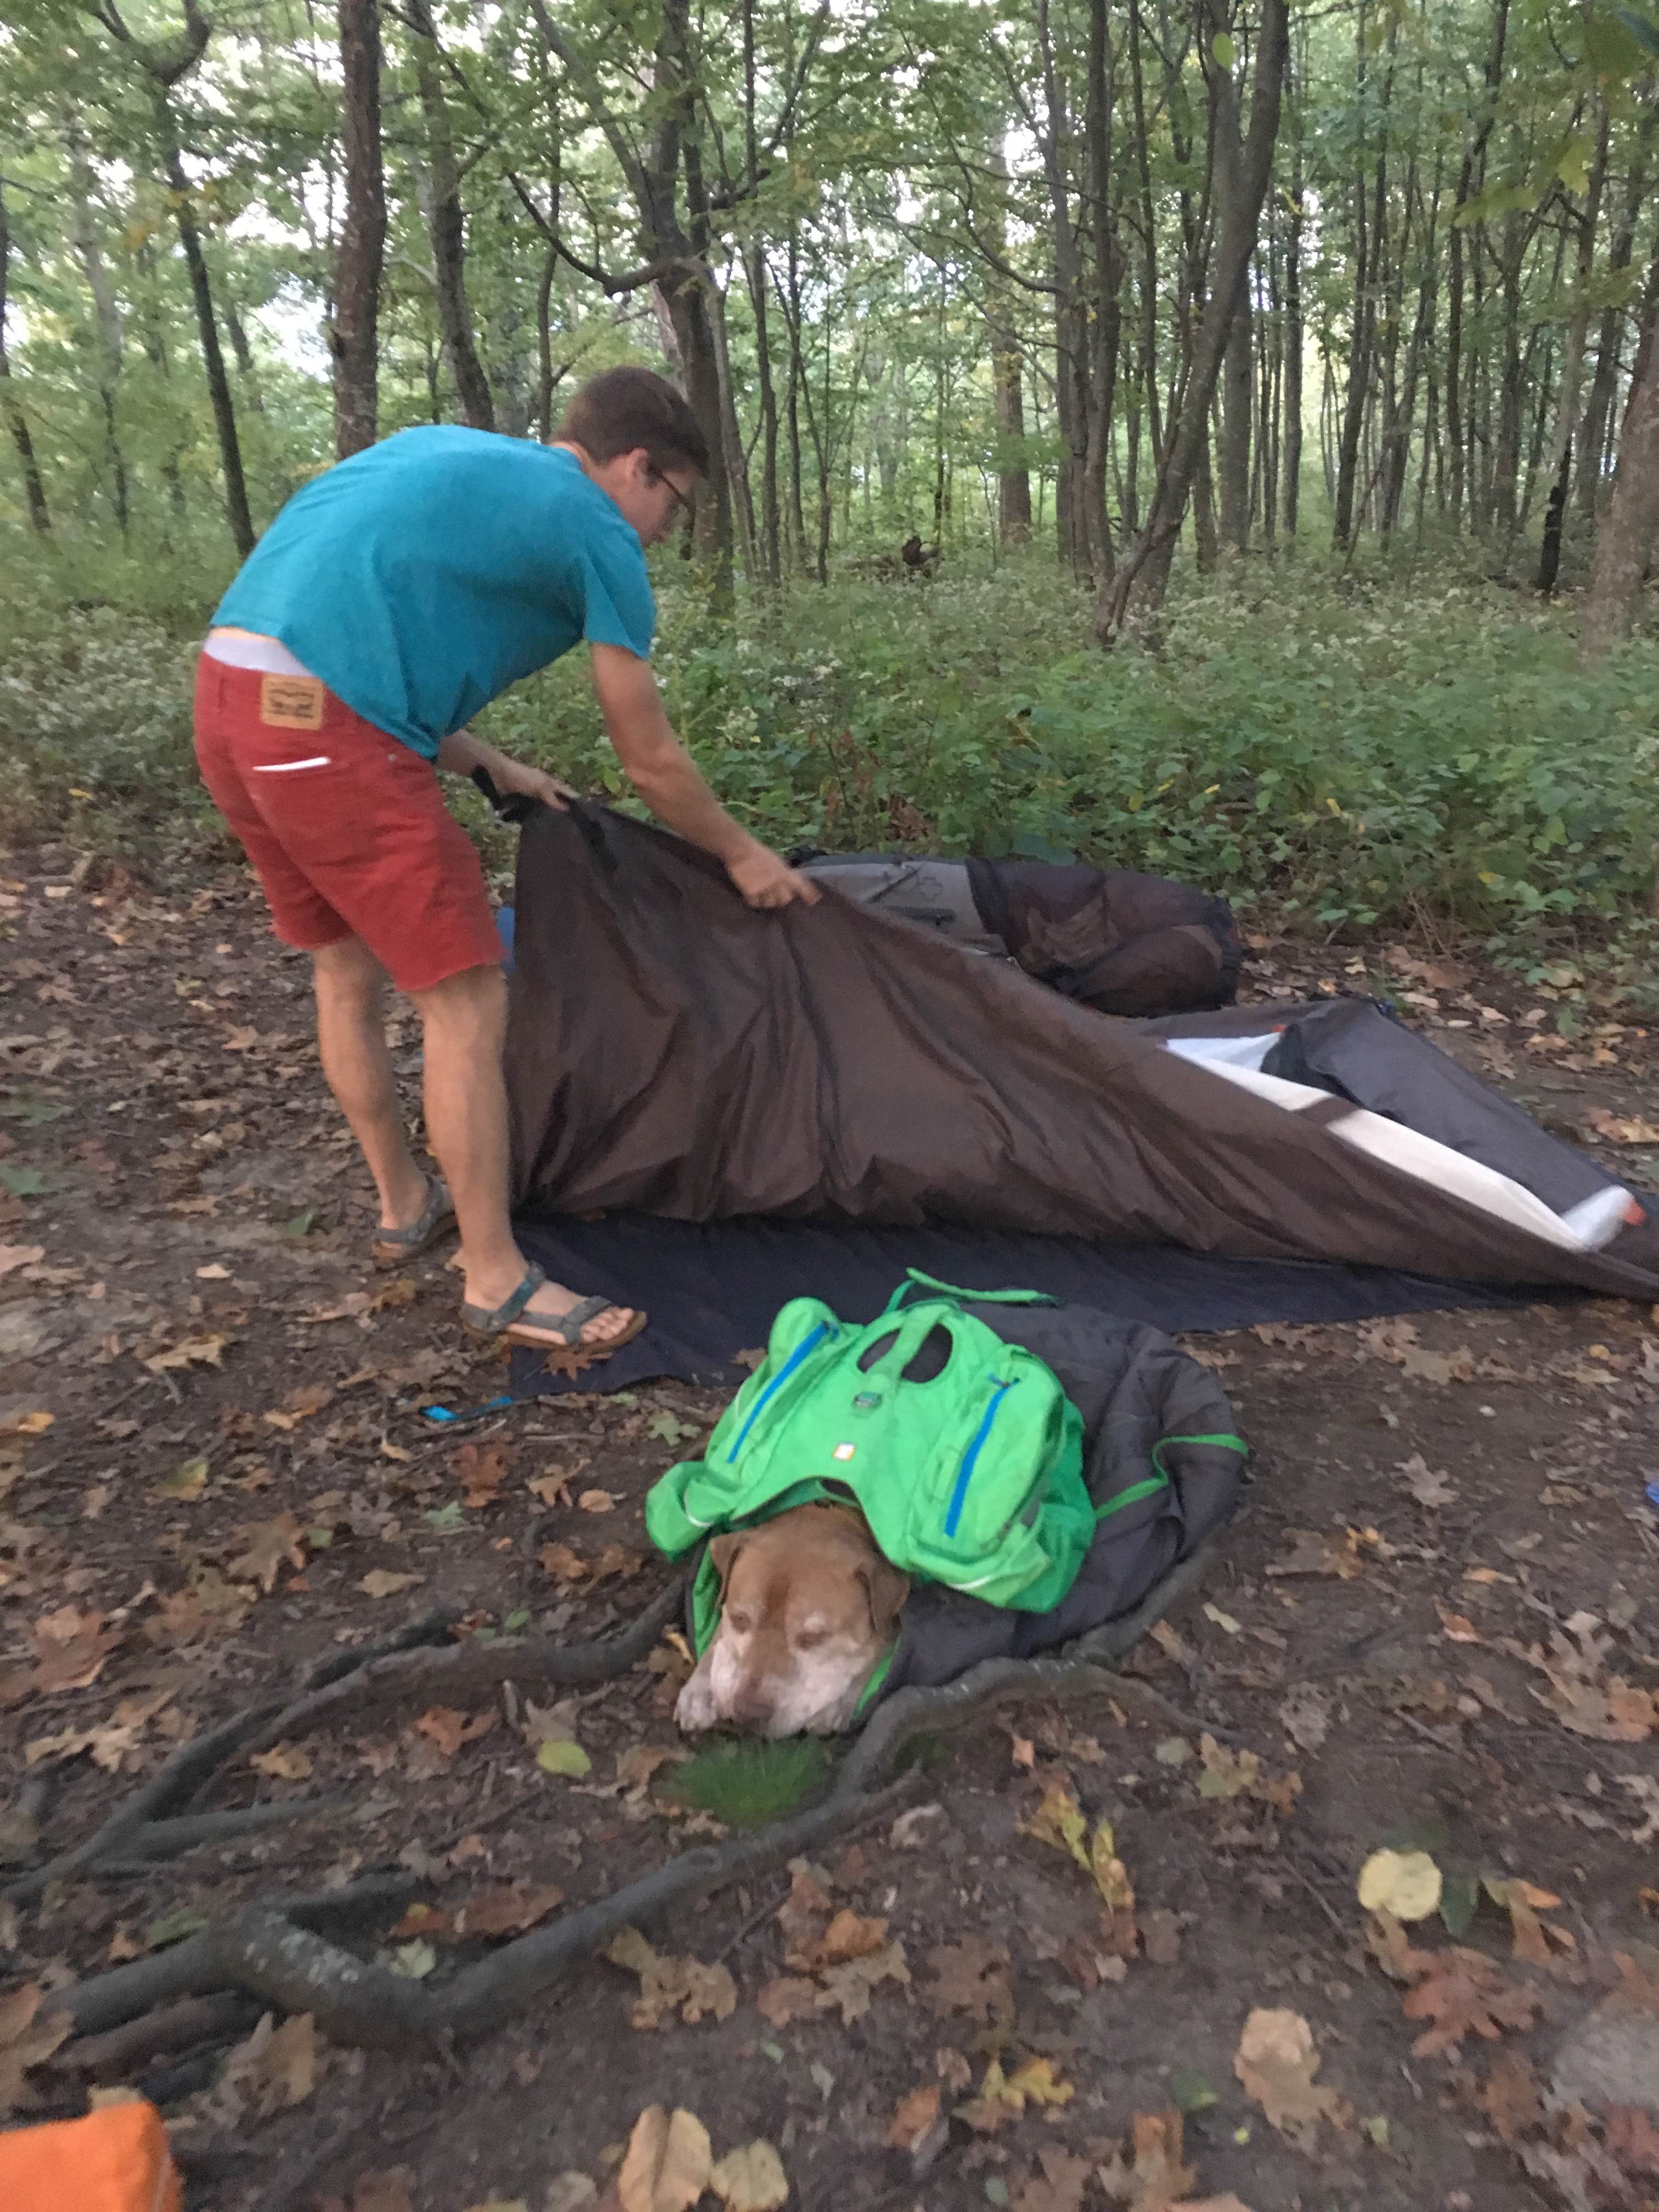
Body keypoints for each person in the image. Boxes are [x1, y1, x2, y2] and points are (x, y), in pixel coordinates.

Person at [193, 366, 817, 1357]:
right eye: (673, 504)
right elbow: (649, 758)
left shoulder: (445, 451)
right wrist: (744, 857)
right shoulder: (598, 528)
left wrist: (490, 761)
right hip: (329, 741)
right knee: (468, 999)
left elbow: (341, 625)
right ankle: (496, 1280)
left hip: (230, 704)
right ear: (636, 465)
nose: (663, 529)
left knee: (346, 969)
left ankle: (406, 1207)